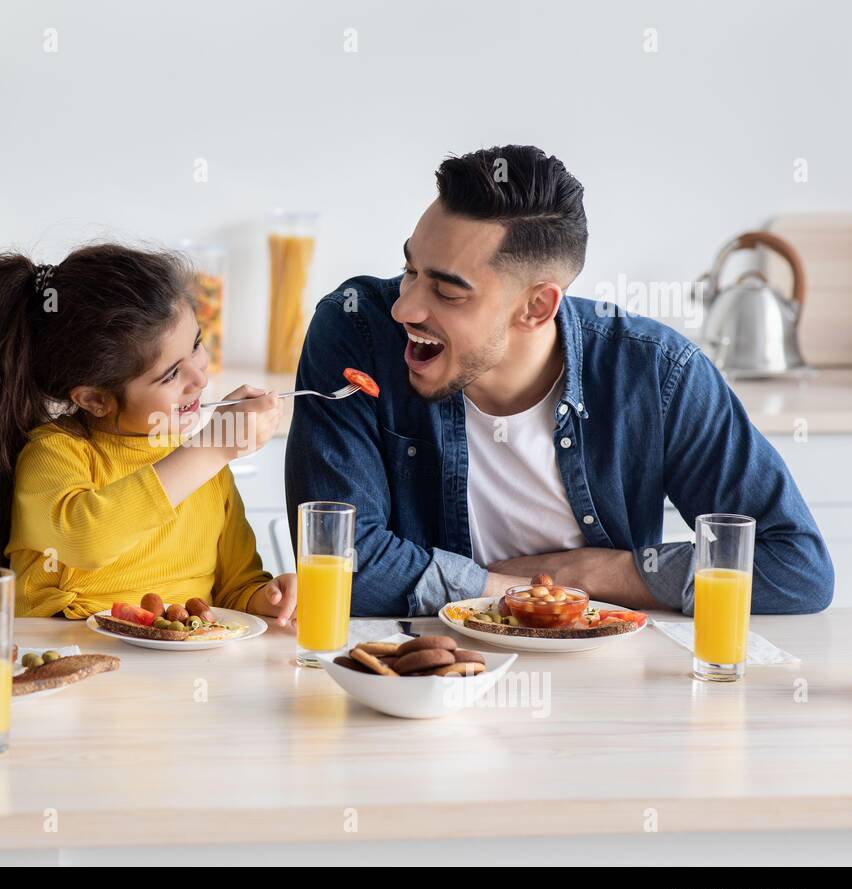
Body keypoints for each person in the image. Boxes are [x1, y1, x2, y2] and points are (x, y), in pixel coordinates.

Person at [285, 145, 833, 616]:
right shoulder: (357, 330)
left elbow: (796, 567)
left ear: (537, 306)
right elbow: (339, 566)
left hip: (606, 683)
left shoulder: (655, 373)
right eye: (409, 270)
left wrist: (596, 573)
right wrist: (514, 594)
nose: (405, 308)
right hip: (429, 678)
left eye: (448, 293)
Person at [0, 244, 298, 624]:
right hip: (69, 659)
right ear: (95, 399)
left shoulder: (207, 467)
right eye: (170, 374)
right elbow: (86, 537)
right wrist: (212, 450)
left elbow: (235, 589)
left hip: (182, 674)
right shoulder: (53, 455)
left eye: (196, 345)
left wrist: (268, 598)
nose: (199, 378)